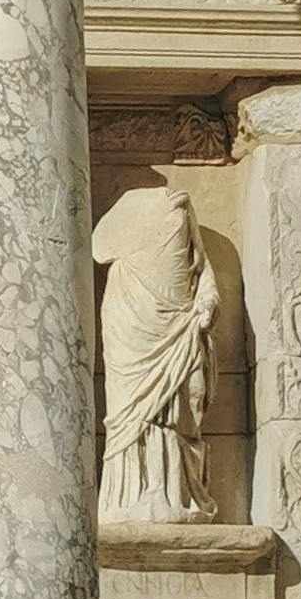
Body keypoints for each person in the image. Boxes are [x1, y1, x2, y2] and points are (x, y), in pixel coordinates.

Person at [94, 179, 218, 526]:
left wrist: (207, 303)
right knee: (131, 410)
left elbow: (203, 272)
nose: (175, 242)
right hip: (133, 330)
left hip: (181, 324)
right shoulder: (124, 270)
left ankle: (178, 492)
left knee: (190, 399)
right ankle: (132, 495)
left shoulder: (183, 216)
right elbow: (99, 249)